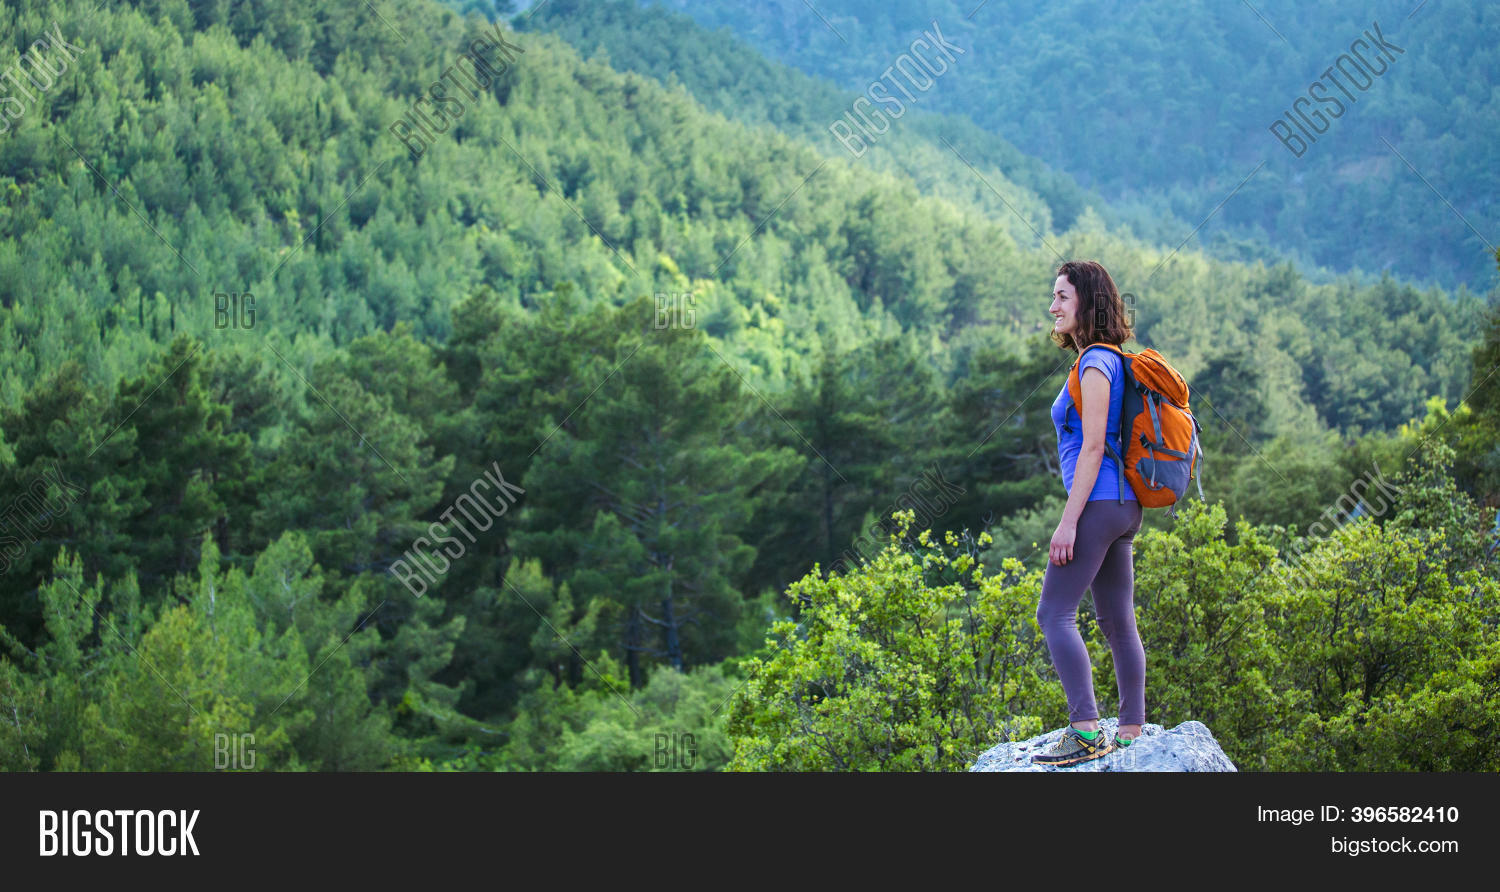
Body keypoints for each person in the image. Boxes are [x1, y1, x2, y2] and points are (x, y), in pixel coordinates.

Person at [1031, 260, 1146, 766]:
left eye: (1061, 296)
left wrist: (1068, 521)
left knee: (1054, 614)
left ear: (1086, 302)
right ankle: (1130, 731)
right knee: (1117, 620)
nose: (1053, 306)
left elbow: (1095, 446)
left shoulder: (1097, 362)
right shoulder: (1106, 359)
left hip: (1099, 504)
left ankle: (1083, 730)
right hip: (1123, 506)